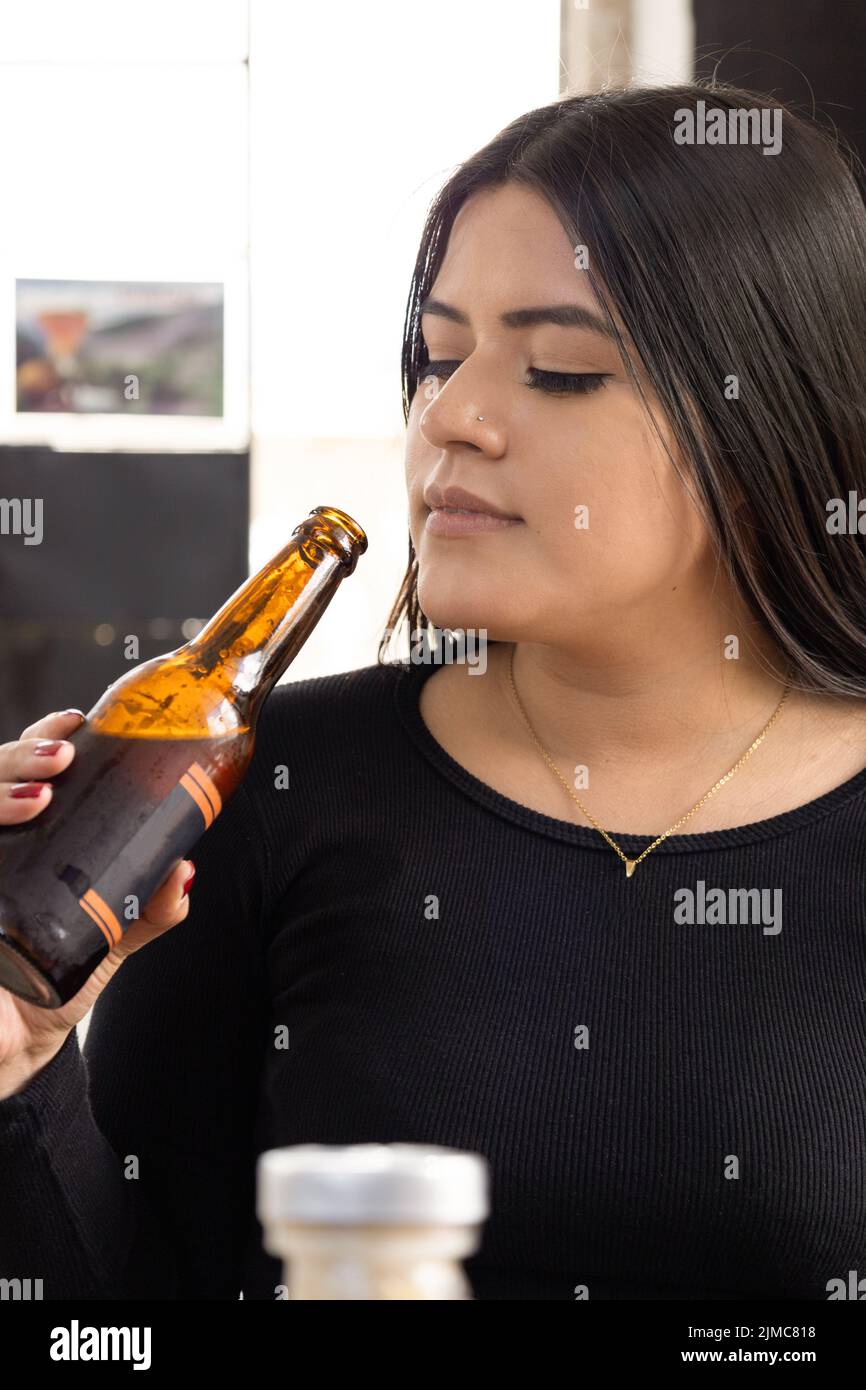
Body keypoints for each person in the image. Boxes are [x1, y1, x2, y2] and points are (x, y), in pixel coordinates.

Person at [1, 81, 865, 1301]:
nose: (448, 416)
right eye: (438, 356)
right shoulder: (266, 785)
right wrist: (25, 1067)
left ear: (758, 417)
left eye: (557, 368)